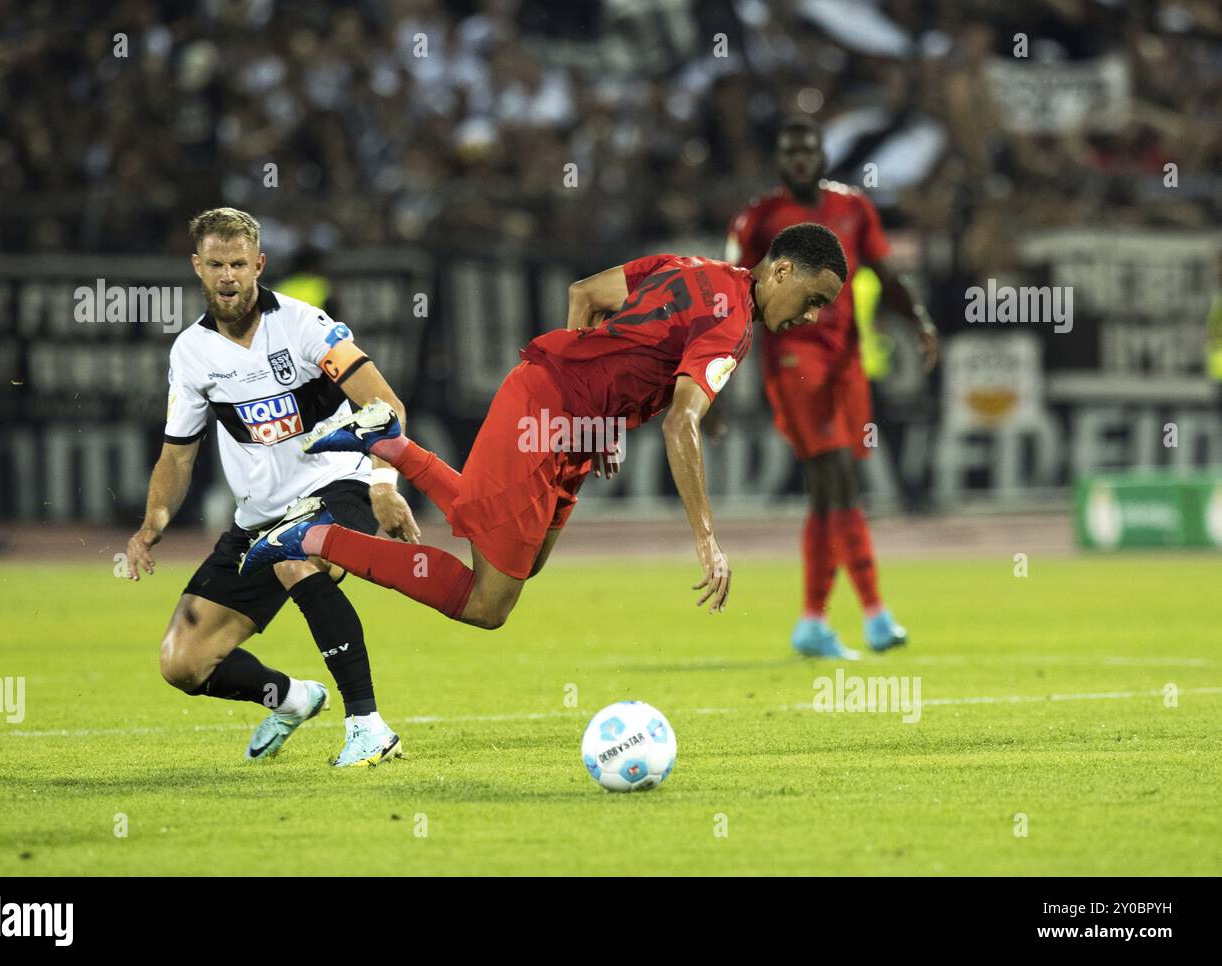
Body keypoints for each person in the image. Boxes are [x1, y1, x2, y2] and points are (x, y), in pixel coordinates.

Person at [241, 225, 847, 634]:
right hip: (547, 412)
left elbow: (584, 294)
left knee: (524, 564)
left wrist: (601, 418)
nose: (811, 316)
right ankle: (314, 539)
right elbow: (682, 423)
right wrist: (707, 538)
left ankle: (390, 445)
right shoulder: (734, 329)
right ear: (783, 270)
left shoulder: (693, 268)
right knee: (488, 604)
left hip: (570, 421)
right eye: (814, 298)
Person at [127, 207, 420, 767]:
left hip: (339, 487)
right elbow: (177, 454)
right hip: (257, 516)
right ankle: (291, 698)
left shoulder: (306, 326)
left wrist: (384, 483)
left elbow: (385, 405)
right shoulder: (191, 353)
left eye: (239, 263)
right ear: (197, 267)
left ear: (259, 264)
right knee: (182, 662)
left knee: (295, 553)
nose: (228, 276)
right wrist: (152, 524)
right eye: (216, 264)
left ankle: (369, 727)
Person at [726, 116, 939, 659]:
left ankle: (813, 622)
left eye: (808, 150)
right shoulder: (759, 218)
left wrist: (918, 323)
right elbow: (729, 293)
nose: (800, 159)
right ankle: (875, 614)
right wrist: (719, 375)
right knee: (838, 475)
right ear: (781, 159)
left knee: (827, 493)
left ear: (821, 156)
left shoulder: (853, 208)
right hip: (794, 359)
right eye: (790, 151)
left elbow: (887, 277)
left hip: (846, 362)